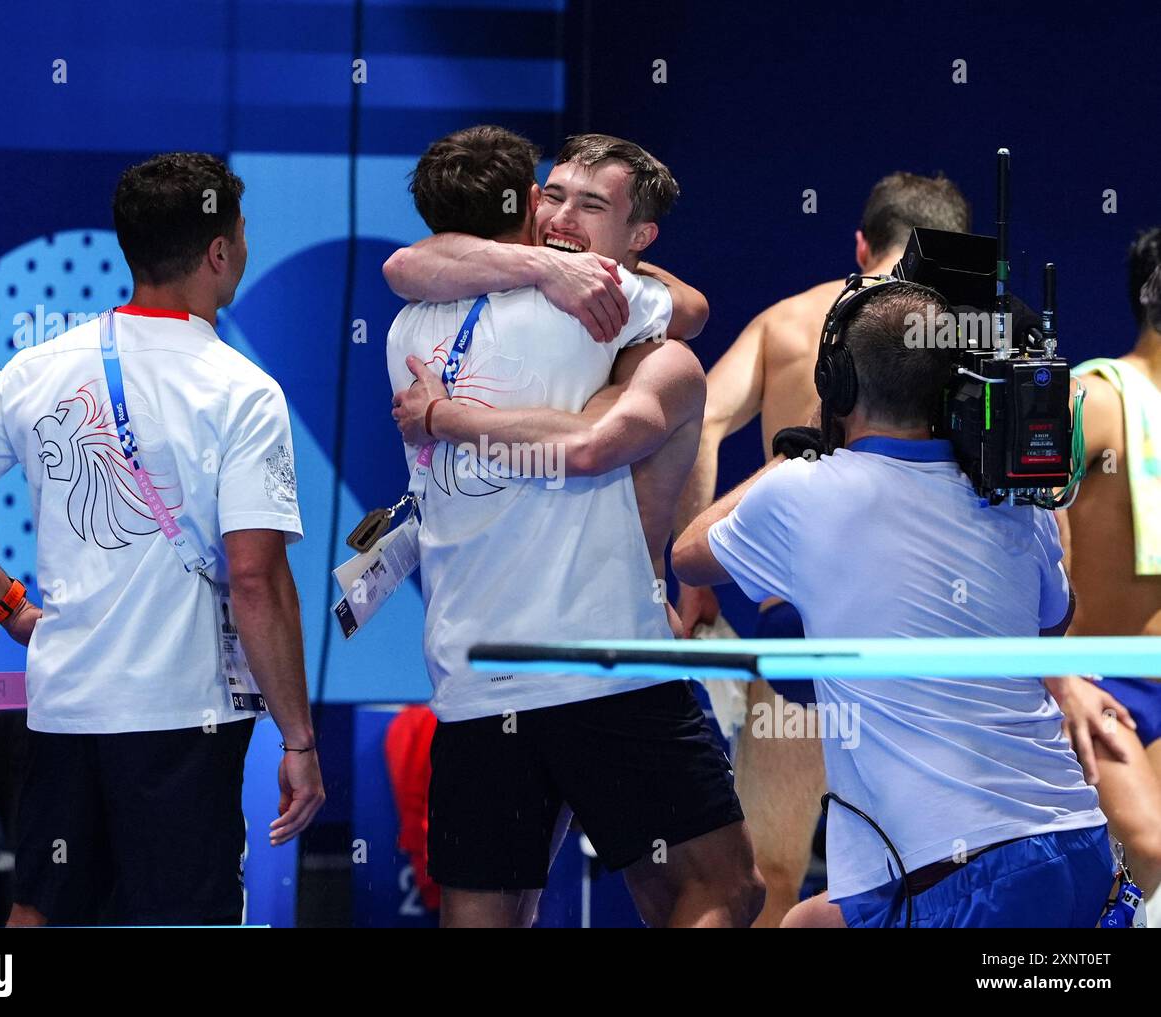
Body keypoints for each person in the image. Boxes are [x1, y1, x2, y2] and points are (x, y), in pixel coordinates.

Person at [0, 152, 323, 926]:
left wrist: (9, 606)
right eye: (243, 233)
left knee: (43, 911)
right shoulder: (244, 391)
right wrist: (298, 737)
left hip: (65, 707)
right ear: (220, 251)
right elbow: (256, 580)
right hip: (185, 718)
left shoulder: (40, 367)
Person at [384, 125, 763, 928]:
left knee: (485, 913)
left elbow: (404, 264)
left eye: (590, 204)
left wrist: (444, 413)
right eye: (552, 194)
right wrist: (575, 271)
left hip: (471, 673)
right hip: (601, 664)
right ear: (523, 202)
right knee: (720, 891)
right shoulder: (601, 305)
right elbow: (681, 322)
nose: (561, 215)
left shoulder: (410, 321)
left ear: (638, 237)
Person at [673, 281, 1111, 928]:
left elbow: (688, 553)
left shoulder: (801, 491)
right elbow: (1054, 621)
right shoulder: (1016, 504)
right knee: (805, 922)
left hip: (964, 876)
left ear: (839, 385)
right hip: (1080, 847)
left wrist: (799, 454)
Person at [672, 171, 972, 925]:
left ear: (862, 243)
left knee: (771, 864)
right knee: (939, 866)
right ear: (956, 251)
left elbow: (702, 419)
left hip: (800, 632)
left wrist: (697, 585)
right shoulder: (961, 336)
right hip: (925, 635)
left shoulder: (789, 322)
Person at [1047, 230, 1161, 900]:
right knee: (1152, 852)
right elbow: (1009, 521)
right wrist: (1053, 672)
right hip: (1103, 684)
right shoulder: (1093, 396)